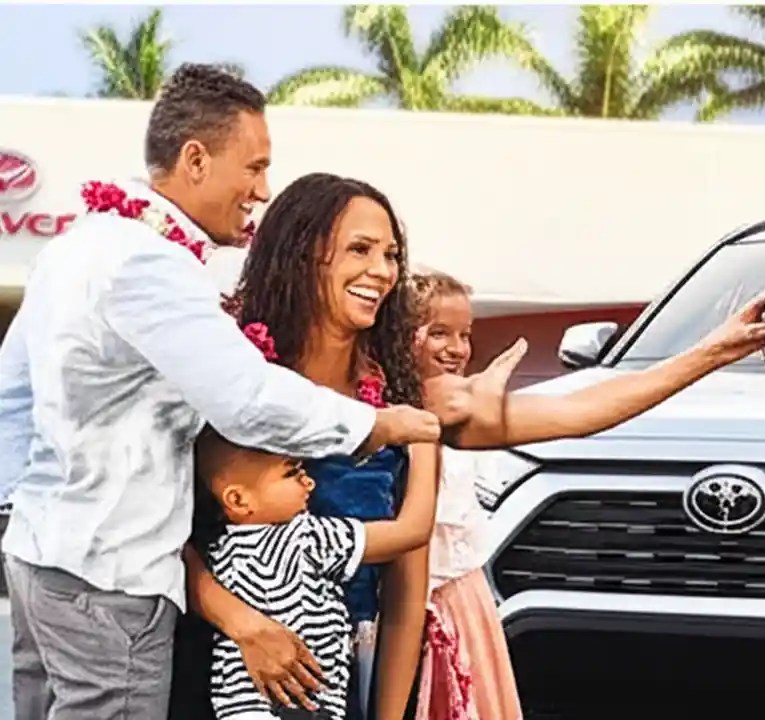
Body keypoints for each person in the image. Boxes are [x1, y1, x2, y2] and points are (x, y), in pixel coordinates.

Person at [0, 64, 441, 720]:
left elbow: (13, 395)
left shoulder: (79, 246)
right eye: (254, 167)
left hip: (44, 560)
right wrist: (380, 426)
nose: (262, 190)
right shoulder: (151, 264)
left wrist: (17, 510)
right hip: (112, 579)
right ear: (196, 159)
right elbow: (246, 399)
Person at [172, 172, 530, 720]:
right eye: (359, 249)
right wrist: (246, 626)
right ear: (299, 254)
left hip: (345, 674)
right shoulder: (229, 377)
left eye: (390, 254)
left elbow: (406, 595)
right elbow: (171, 541)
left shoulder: (399, 404)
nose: (382, 271)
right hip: (220, 667)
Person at [404, 268, 765, 719]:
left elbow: (578, 411)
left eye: (465, 334)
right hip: (412, 615)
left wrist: (714, 351)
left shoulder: (455, 409)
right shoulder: (394, 408)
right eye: (436, 333)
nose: (457, 349)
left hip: (463, 607)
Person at [194, 427, 440, 720]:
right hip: (304, 705)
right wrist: (425, 450)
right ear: (237, 500)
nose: (309, 482)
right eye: (292, 473)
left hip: (238, 707)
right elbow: (411, 532)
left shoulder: (216, 551)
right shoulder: (309, 537)